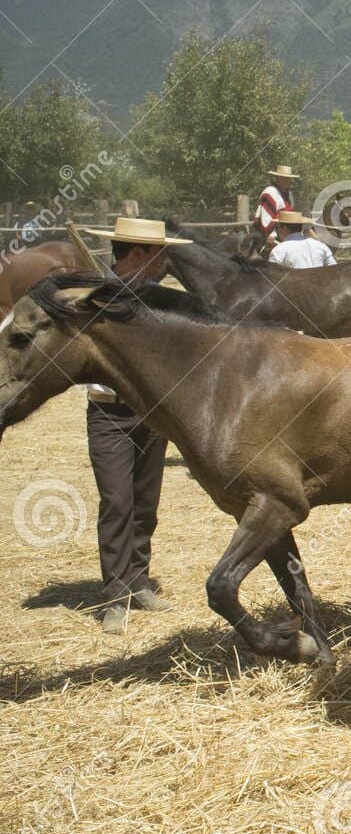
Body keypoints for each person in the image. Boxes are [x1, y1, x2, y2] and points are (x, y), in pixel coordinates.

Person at [77, 217, 194, 634]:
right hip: (109, 414)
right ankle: (115, 596)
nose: (165, 262)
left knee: (145, 503)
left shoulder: (159, 299)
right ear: (141, 253)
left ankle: (138, 581)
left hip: (151, 411)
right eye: (160, 254)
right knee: (117, 503)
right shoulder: (93, 298)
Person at [268, 209, 337, 268]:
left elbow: (271, 276)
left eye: (278, 228)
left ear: (285, 228)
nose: (278, 231)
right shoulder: (321, 246)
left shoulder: (278, 251)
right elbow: (334, 269)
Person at [256, 164, 298, 244]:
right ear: (278, 178)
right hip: (272, 237)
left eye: (289, 178)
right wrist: (271, 235)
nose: (289, 181)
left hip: (287, 235)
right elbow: (266, 217)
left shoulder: (289, 194)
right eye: (285, 178)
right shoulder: (270, 192)